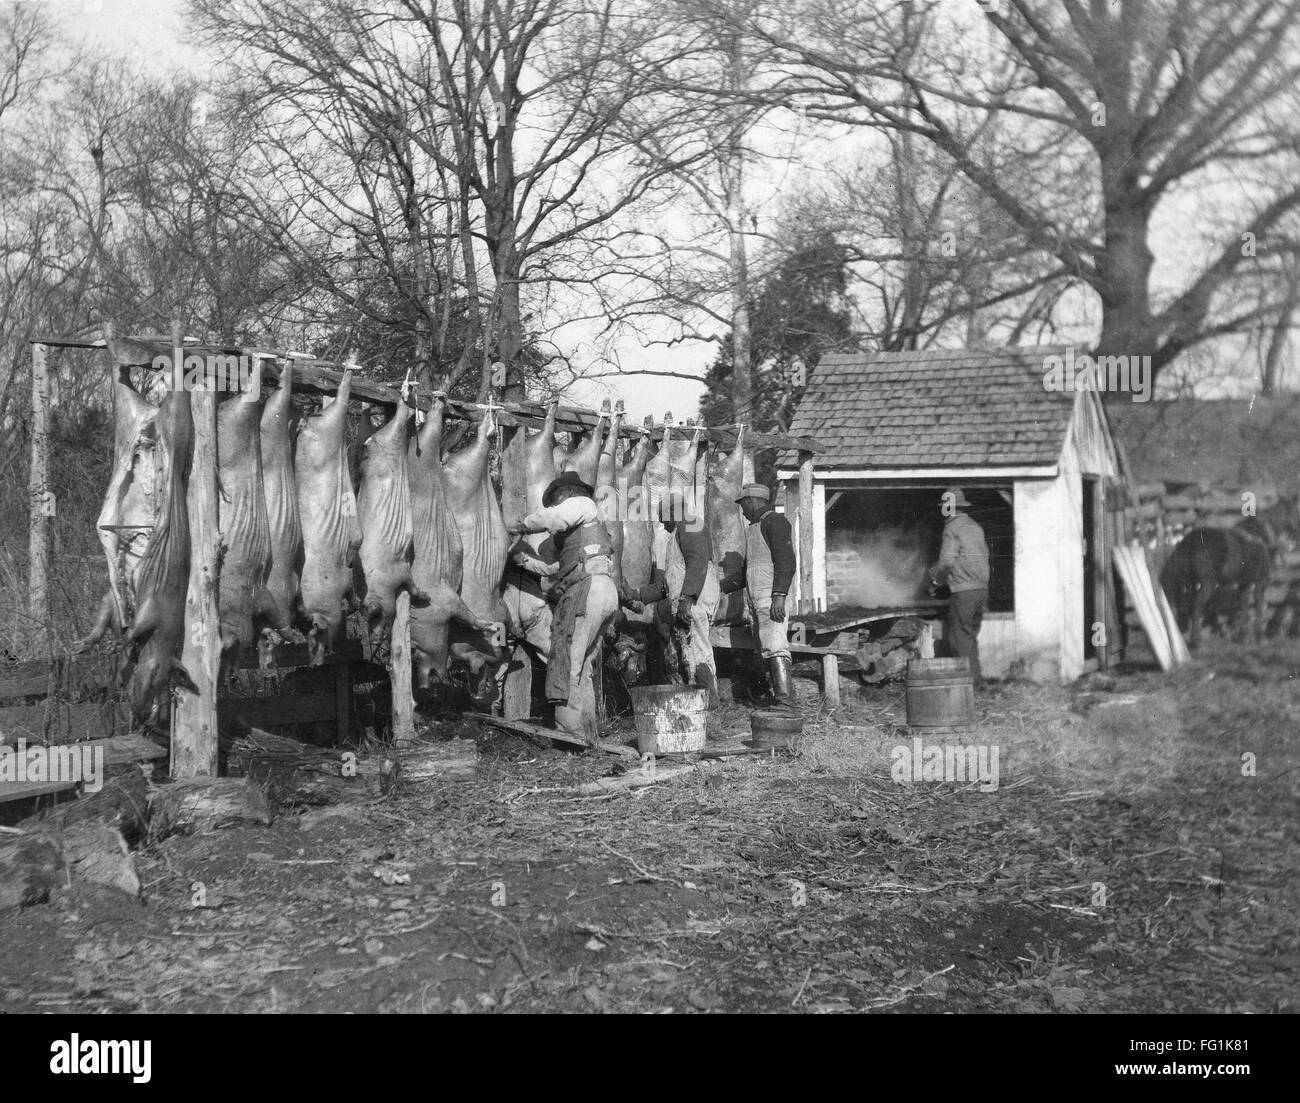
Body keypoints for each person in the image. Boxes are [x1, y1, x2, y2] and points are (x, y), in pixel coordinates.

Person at [506, 471, 618, 746]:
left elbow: (553, 518)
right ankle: (588, 732)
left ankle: (569, 737)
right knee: (583, 664)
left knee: (566, 660)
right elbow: (553, 569)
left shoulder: (582, 503)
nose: (554, 505)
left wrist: (520, 525)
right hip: (602, 590)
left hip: (588, 590)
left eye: (556, 499)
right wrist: (521, 559)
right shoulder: (582, 533)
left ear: (568, 493)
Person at [622, 489, 721, 710]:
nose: (661, 522)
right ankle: (701, 702)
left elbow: (697, 562)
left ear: (674, 509)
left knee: (697, 650)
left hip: (696, 601)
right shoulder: (678, 533)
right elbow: (667, 585)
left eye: (662, 515)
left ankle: (710, 704)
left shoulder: (692, 523)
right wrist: (637, 594)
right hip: (687, 600)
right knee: (689, 652)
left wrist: (688, 598)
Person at [719, 482, 797, 709]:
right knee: (766, 647)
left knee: (775, 645)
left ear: (752, 501)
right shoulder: (755, 527)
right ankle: (775, 697)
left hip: (771, 600)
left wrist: (779, 596)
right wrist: (721, 587)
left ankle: (785, 702)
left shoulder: (775, 522)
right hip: (757, 601)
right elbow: (747, 570)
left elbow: (786, 563)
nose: (742, 510)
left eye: (743, 504)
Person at [929, 487, 990, 685]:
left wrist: (935, 580)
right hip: (981, 591)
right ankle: (977, 682)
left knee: (957, 639)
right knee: (969, 636)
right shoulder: (974, 526)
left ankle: (967, 685)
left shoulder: (952, 529)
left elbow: (946, 561)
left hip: (964, 592)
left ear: (947, 509)